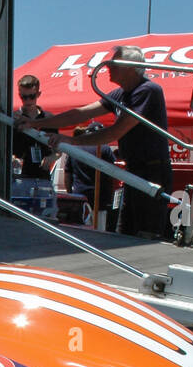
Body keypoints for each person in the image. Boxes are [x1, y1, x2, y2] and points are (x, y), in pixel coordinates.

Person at [18, 45, 173, 238]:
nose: (107, 66)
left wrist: (69, 140)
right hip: (135, 171)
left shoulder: (147, 90)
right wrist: (36, 123)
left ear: (129, 67)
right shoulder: (120, 94)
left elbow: (115, 132)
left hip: (152, 172)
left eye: (113, 62)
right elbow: (81, 113)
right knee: (126, 231)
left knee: (145, 233)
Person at [10, 75, 59, 221]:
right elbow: (5, 147)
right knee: (18, 220)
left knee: (46, 220)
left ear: (38, 94)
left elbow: (59, 150)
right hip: (19, 179)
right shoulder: (14, 118)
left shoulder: (49, 119)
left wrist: (52, 157)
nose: (27, 101)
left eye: (31, 96)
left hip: (43, 178)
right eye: (23, 97)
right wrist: (12, 158)